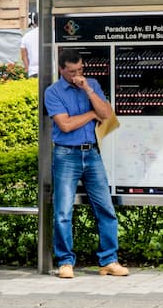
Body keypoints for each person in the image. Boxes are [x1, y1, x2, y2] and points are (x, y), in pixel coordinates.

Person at [45, 48, 128, 279]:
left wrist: (89, 91)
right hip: (66, 154)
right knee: (63, 210)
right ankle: (65, 262)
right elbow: (65, 125)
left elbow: (107, 113)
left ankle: (109, 260)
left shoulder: (92, 85)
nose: (77, 75)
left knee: (105, 208)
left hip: (92, 153)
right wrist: (91, 115)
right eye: (72, 72)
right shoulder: (53, 92)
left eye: (80, 69)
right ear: (61, 70)